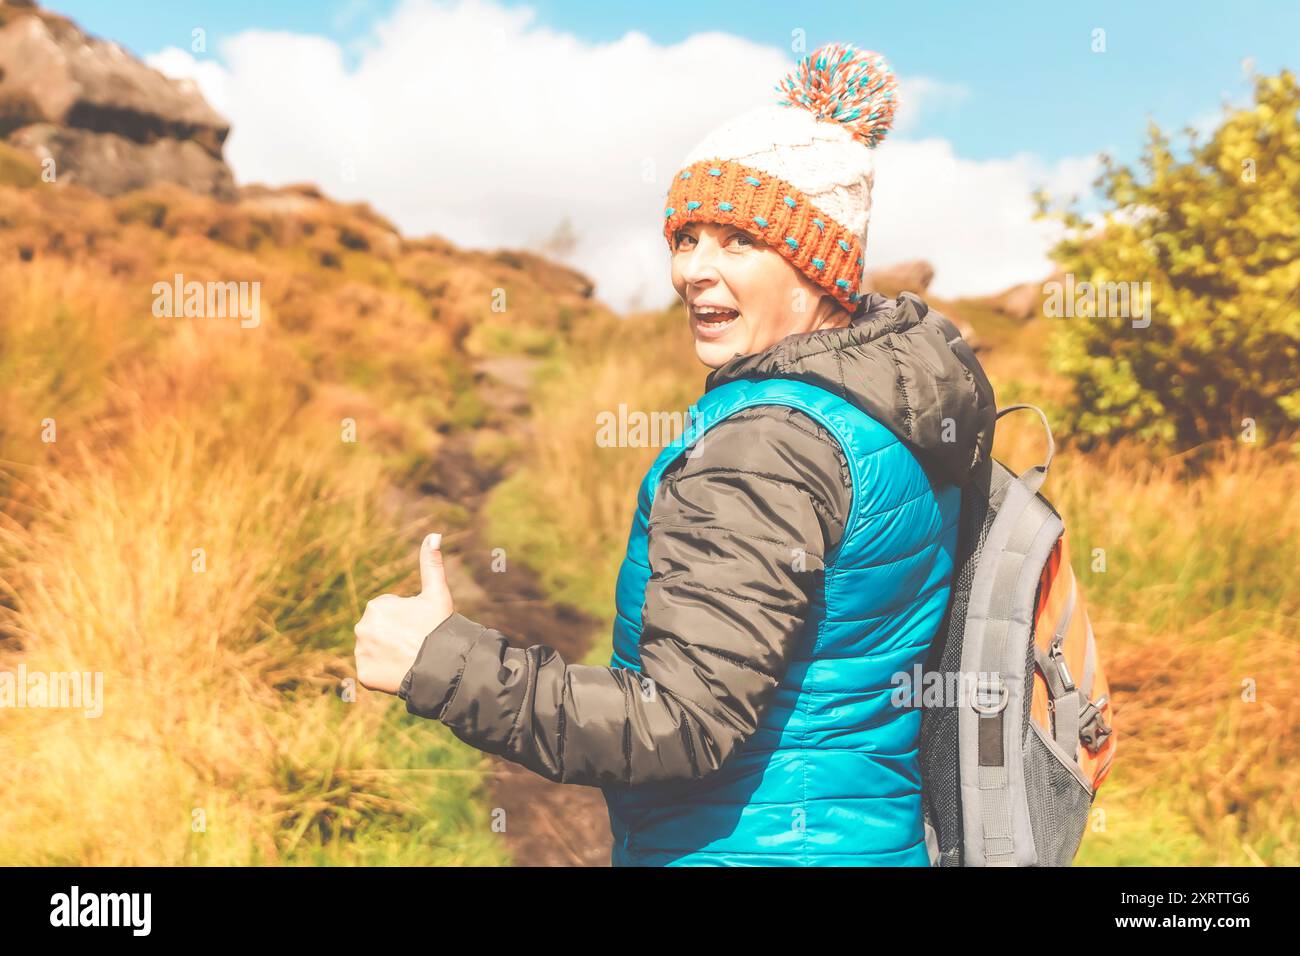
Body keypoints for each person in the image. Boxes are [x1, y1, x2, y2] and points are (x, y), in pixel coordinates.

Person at [354, 41, 996, 866]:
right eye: (686, 237)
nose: (693, 270)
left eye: (737, 242)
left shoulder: (766, 444)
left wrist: (440, 662)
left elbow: (680, 722)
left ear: (816, 267)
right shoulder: (889, 409)